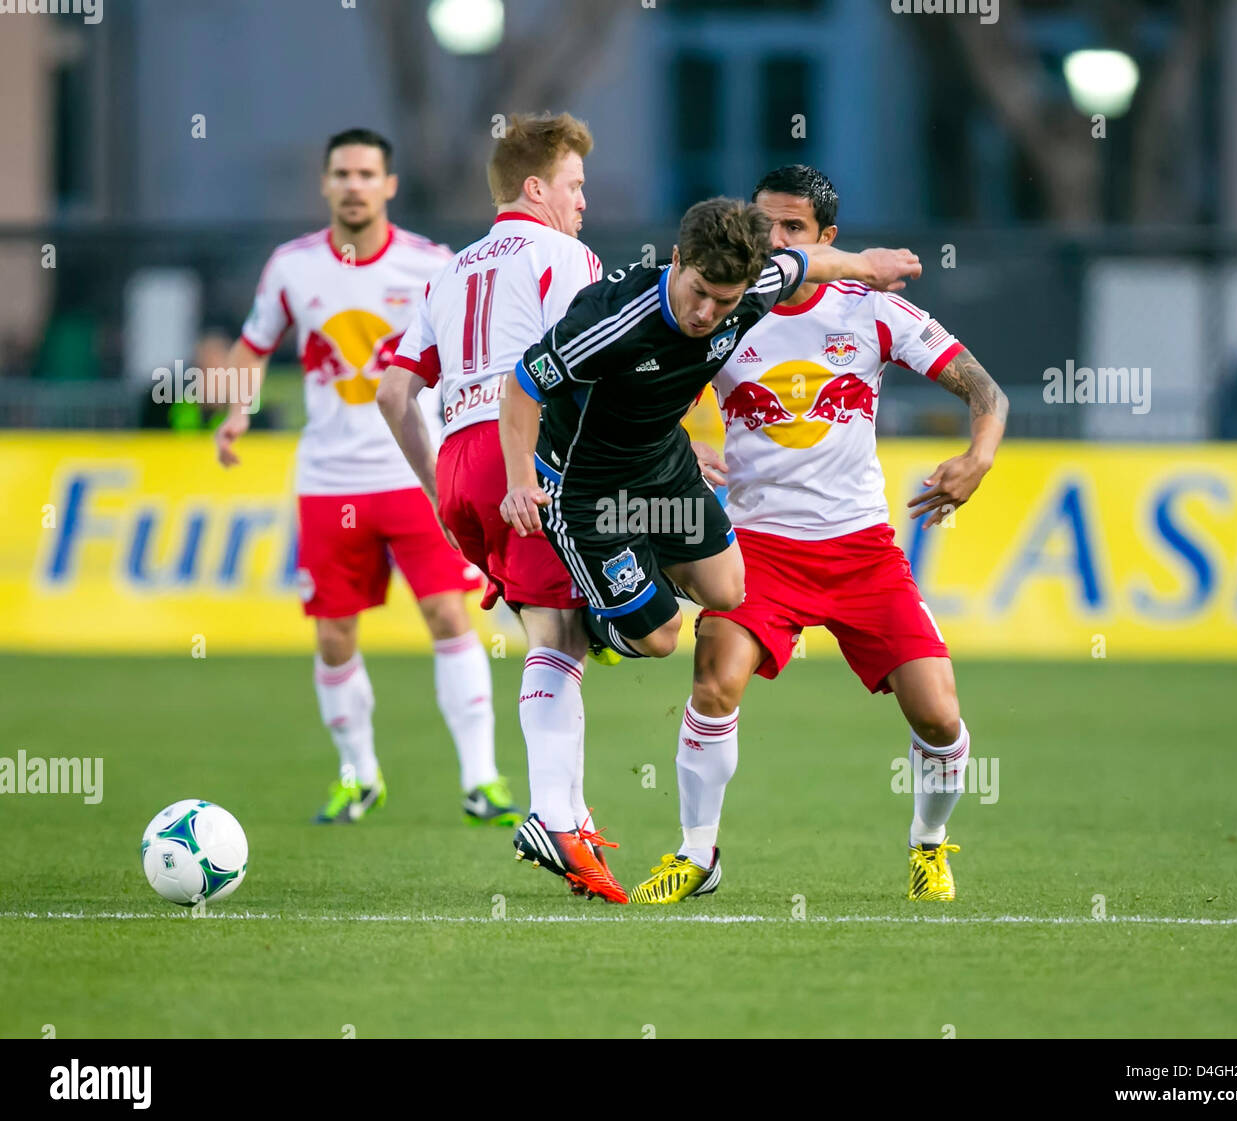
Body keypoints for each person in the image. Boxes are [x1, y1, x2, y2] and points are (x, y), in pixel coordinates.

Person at [624, 166, 1009, 904]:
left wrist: (978, 456)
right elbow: (634, 397)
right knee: (713, 681)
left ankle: (929, 845)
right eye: (763, 225)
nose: (773, 242)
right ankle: (696, 854)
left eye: (792, 230)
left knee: (938, 712)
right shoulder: (727, 309)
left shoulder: (872, 313)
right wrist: (677, 445)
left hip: (861, 551)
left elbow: (988, 391)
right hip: (756, 549)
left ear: (826, 239)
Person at [216, 128, 509, 828]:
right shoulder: (291, 267)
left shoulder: (431, 263)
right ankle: (359, 775)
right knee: (334, 635)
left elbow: (468, 344)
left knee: (448, 614)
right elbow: (252, 346)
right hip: (328, 480)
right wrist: (233, 410)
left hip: (416, 472)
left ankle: (482, 780)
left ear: (389, 185)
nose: (353, 184)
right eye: (341, 173)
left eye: (366, 173)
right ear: (326, 184)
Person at [498, 196, 921, 671]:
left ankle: (633, 574)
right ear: (677, 260)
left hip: (663, 466)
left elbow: (807, 262)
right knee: (660, 637)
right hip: (586, 490)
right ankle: (595, 623)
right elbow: (520, 386)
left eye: (724, 301)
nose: (705, 313)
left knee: (728, 592)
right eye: (698, 291)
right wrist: (519, 482)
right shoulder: (611, 320)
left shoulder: (755, 285)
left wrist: (865, 265)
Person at [378, 113, 627, 903]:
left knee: (563, 633)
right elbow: (595, 366)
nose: (582, 202)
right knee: (559, 638)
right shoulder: (565, 256)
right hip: (525, 457)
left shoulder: (446, 273)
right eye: (574, 185)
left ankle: (574, 816)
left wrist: (438, 491)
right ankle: (553, 817)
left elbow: (393, 392)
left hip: (457, 464)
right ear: (535, 187)